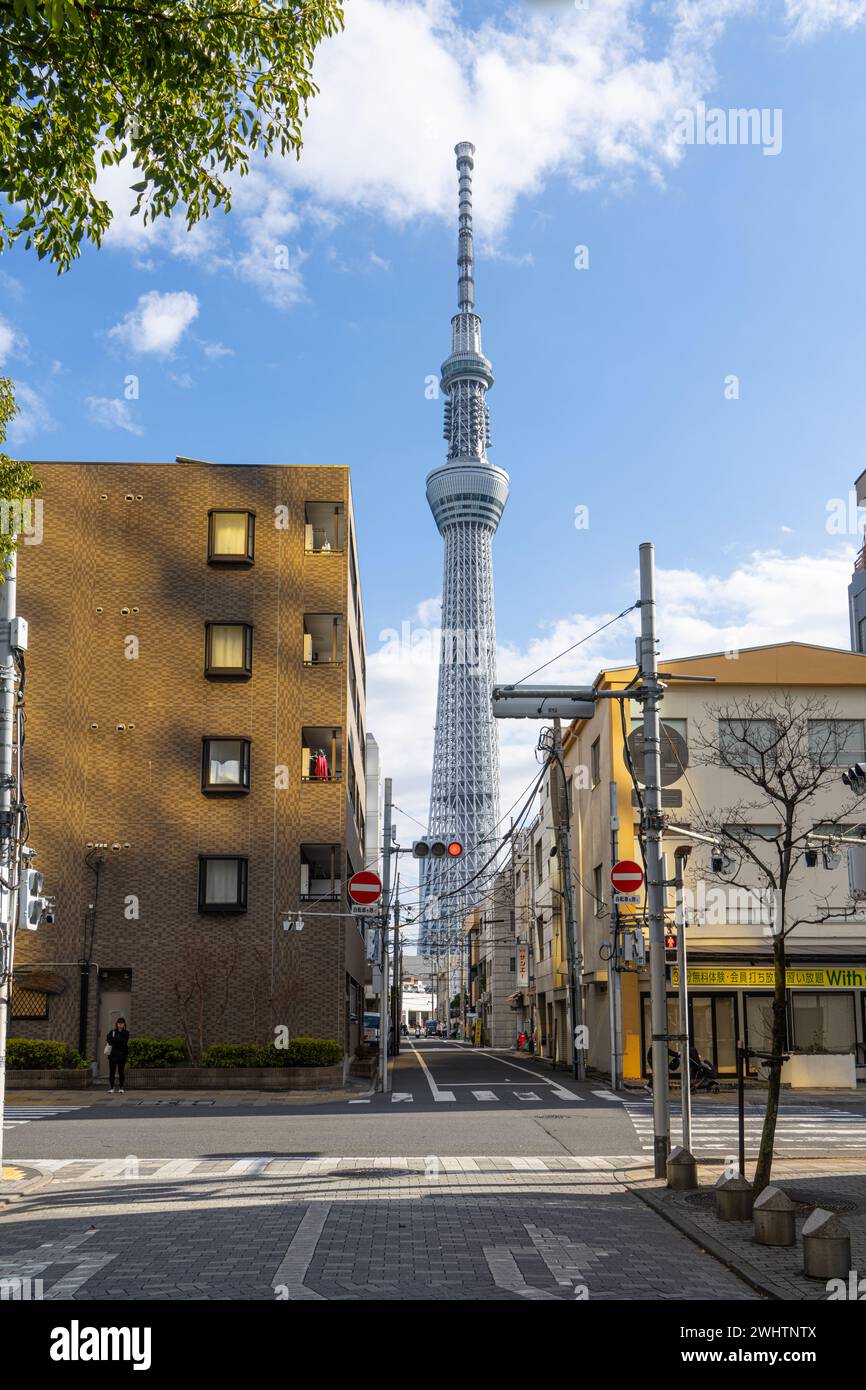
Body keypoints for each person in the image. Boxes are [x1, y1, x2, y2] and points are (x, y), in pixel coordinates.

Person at [106, 1017, 130, 1094]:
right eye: (119, 1023)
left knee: (121, 1072)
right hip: (113, 1055)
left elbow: (124, 1042)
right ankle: (112, 1088)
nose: (120, 1025)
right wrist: (117, 1040)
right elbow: (109, 1041)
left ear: (124, 1024)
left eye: (122, 1023)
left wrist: (115, 1039)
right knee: (112, 1072)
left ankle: (121, 1087)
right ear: (116, 1024)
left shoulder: (126, 1033)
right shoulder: (112, 1031)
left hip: (122, 1056)